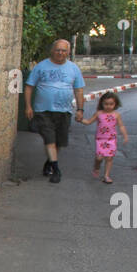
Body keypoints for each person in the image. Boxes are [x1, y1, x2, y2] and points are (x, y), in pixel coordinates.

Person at [24, 39, 87, 183]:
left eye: (64, 50)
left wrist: (80, 109)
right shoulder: (41, 66)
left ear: (68, 52)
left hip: (64, 111)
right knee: (49, 138)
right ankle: (56, 169)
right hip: (43, 110)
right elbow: (29, 86)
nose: (60, 53)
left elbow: (78, 90)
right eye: (58, 50)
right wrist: (28, 106)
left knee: (59, 142)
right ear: (52, 50)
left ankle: (49, 163)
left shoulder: (73, 69)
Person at [76, 92, 129, 184]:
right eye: (106, 104)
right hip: (101, 140)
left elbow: (121, 126)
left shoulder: (116, 115)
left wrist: (125, 136)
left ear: (115, 104)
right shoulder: (99, 113)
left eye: (111, 104)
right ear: (102, 104)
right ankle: (96, 167)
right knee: (99, 158)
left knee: (109, 158)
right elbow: (88, 122)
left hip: (112, 140)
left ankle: (106, 176)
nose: (108, 106)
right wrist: (80, 120)